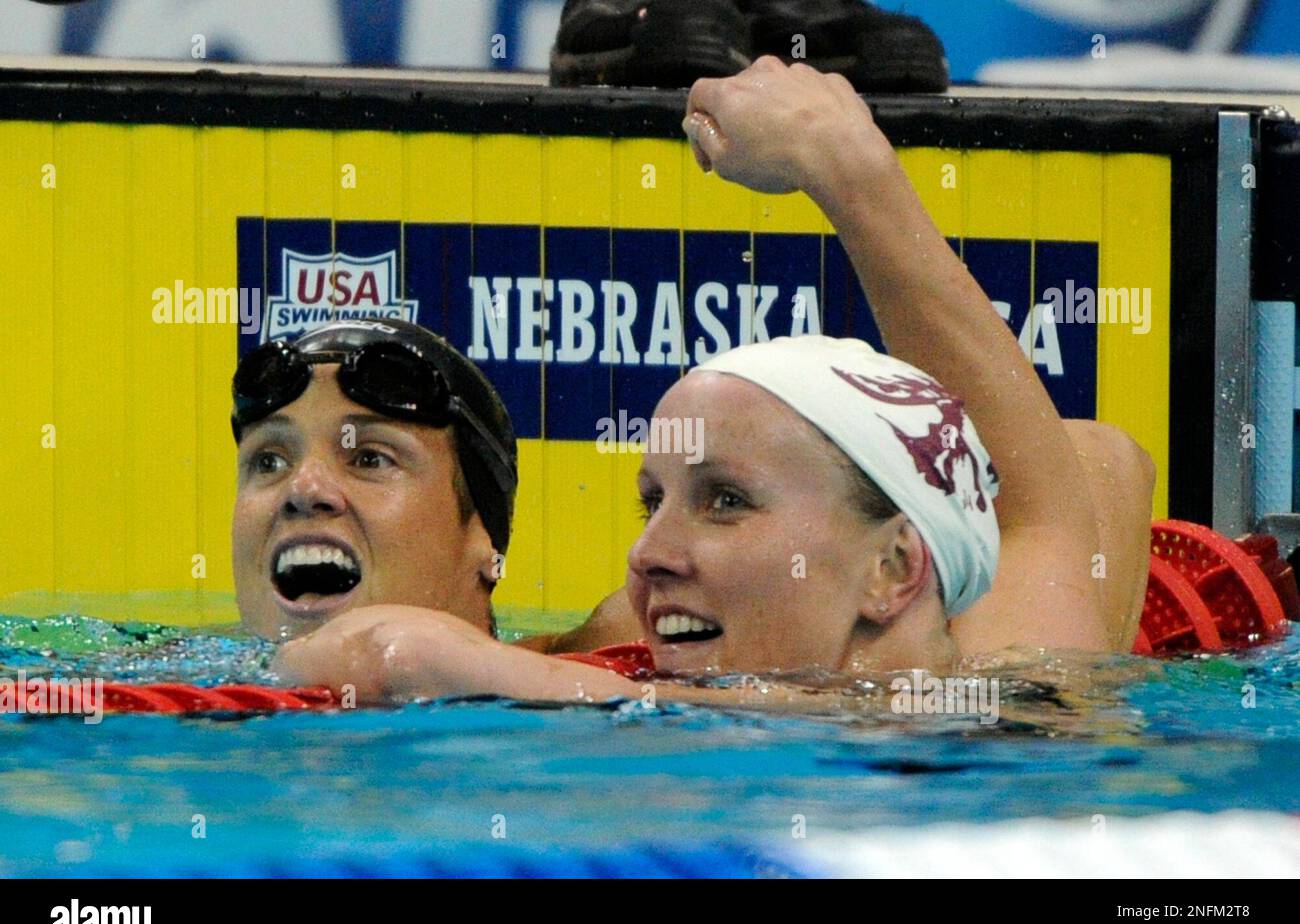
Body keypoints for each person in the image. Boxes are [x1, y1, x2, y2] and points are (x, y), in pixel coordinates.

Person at [272, 57, 1156, 709]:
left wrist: (845, 164)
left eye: (725, 498)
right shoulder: (654, 639)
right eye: (649, 499)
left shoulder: (1016, 702)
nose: (646, 553)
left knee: (1096, 464)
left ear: (892, 566)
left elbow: (1046, 510)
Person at [230, 317, 518, 643]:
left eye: (370, 459)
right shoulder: (174, 666)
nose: (303, 488)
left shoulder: (569, 681)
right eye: (269, 462)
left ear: (485, 542)